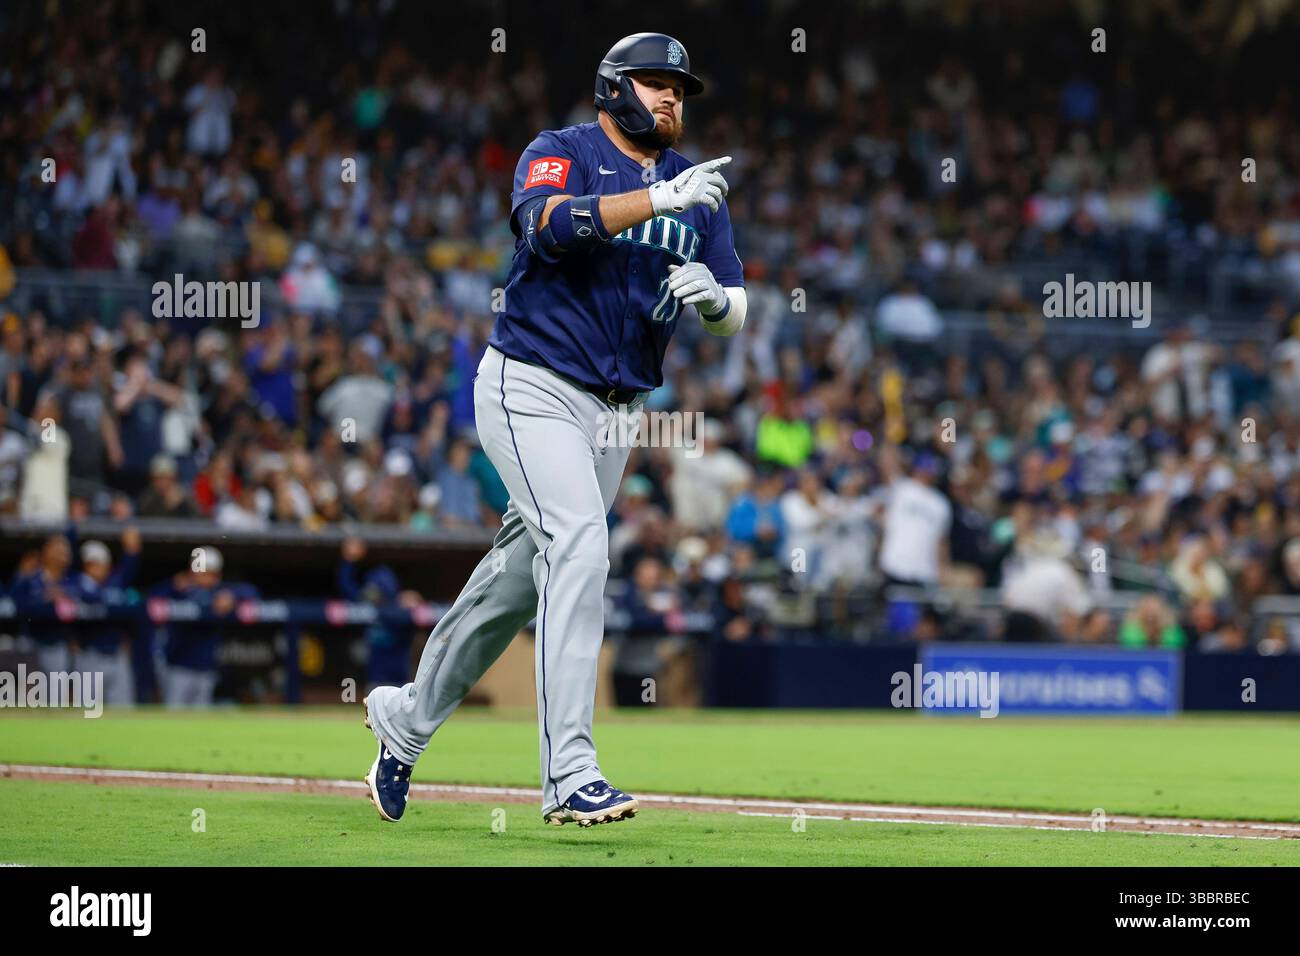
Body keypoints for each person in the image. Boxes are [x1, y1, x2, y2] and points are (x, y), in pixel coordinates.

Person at [362, 32, 744, 828]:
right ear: (614, 89)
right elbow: (544, 228)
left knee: (512, 581)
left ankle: (405, 719)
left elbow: (736, 307)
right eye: (655, 82)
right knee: (580, 546)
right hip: (531, 385)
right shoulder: (561, 149)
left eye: (679, 87)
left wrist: (716, 302)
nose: (672, 97)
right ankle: (570, 772)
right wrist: (654, 202)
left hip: (619, 412)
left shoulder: (696, 183)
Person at [72, 528, 142, 706]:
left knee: (123, 711)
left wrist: (131, 550)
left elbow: (127, 572)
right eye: (93, 563)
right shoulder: (77, 584)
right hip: (89, 655)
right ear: (86, 565)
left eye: (101, 563)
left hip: (116, 654)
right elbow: (92, 601)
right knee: (87, 712)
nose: (98, 568)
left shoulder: (113, 583)